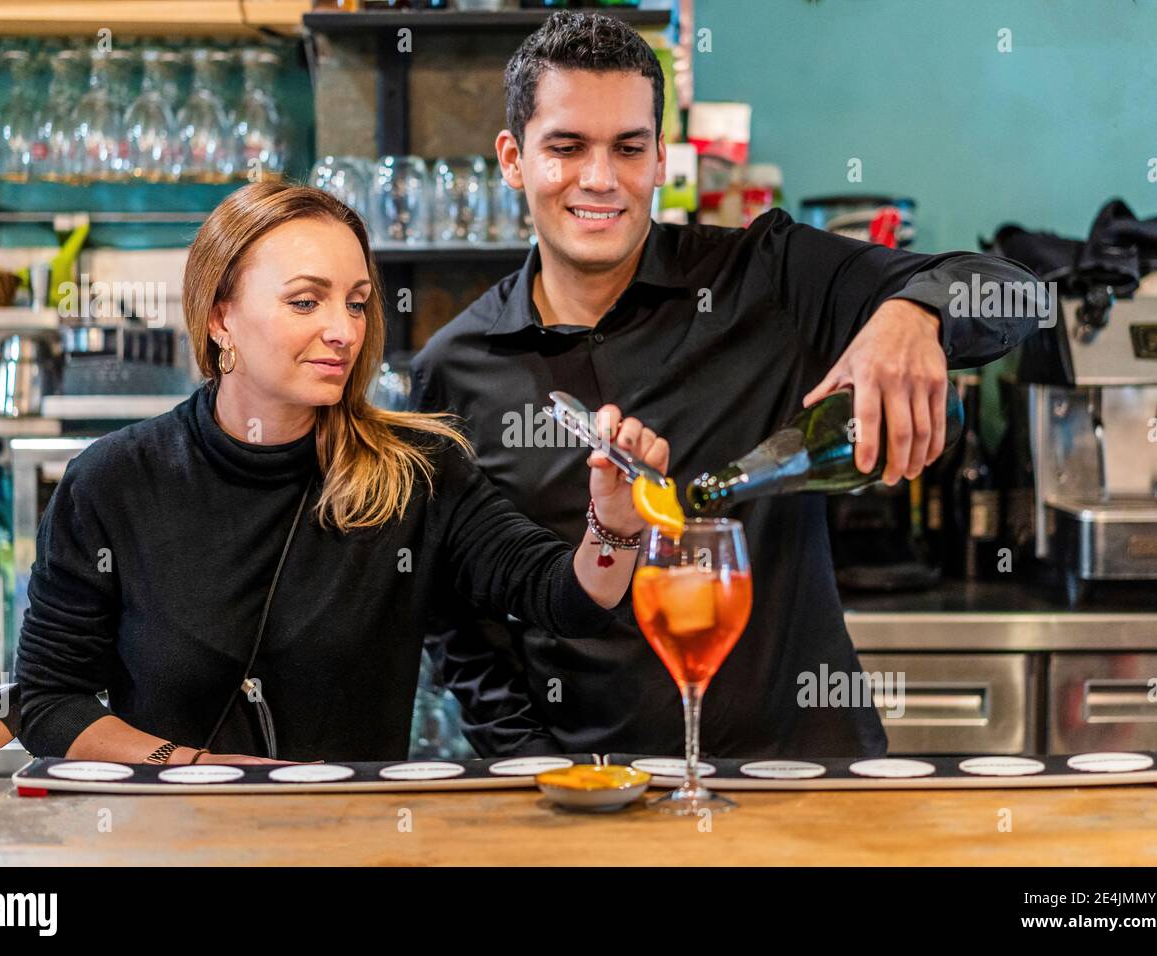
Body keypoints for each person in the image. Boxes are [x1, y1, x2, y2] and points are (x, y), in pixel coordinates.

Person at [411, 11, 1046, 759]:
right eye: (567, 147)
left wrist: (915, 314)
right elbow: (459, 623)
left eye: (628, 148)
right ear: (514, 159)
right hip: (602, 789)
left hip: (808, 775)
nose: (601, 178)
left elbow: (1016, 293)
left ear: (660, 160)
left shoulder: (765, 277)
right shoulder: (455, 369)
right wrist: (533, 768)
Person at [14, 181, 668, 766]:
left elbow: (566, 599)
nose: (344, 331)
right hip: (173, 837)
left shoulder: (416, 472)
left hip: (353, 836)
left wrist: (612, 527)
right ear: (219, 316)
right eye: (306, 302)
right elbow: (48, 701)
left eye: (356, 304)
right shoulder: (113, 482)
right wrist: (194, 767)